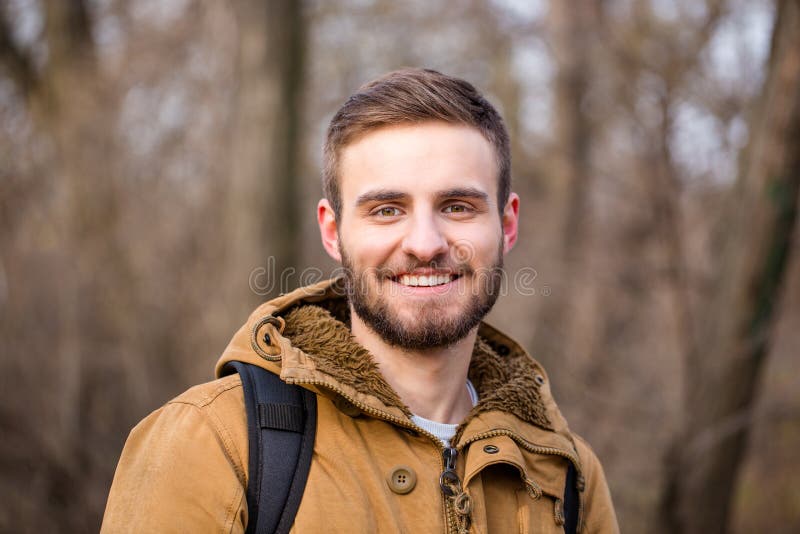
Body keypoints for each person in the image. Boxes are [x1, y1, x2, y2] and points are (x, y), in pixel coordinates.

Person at [102, 68, 619, 533]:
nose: (424, 243)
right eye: (387, 210)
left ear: (506, 224)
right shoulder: (211, 442)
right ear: (333, 231)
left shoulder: (565, 475)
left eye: (457, 206)